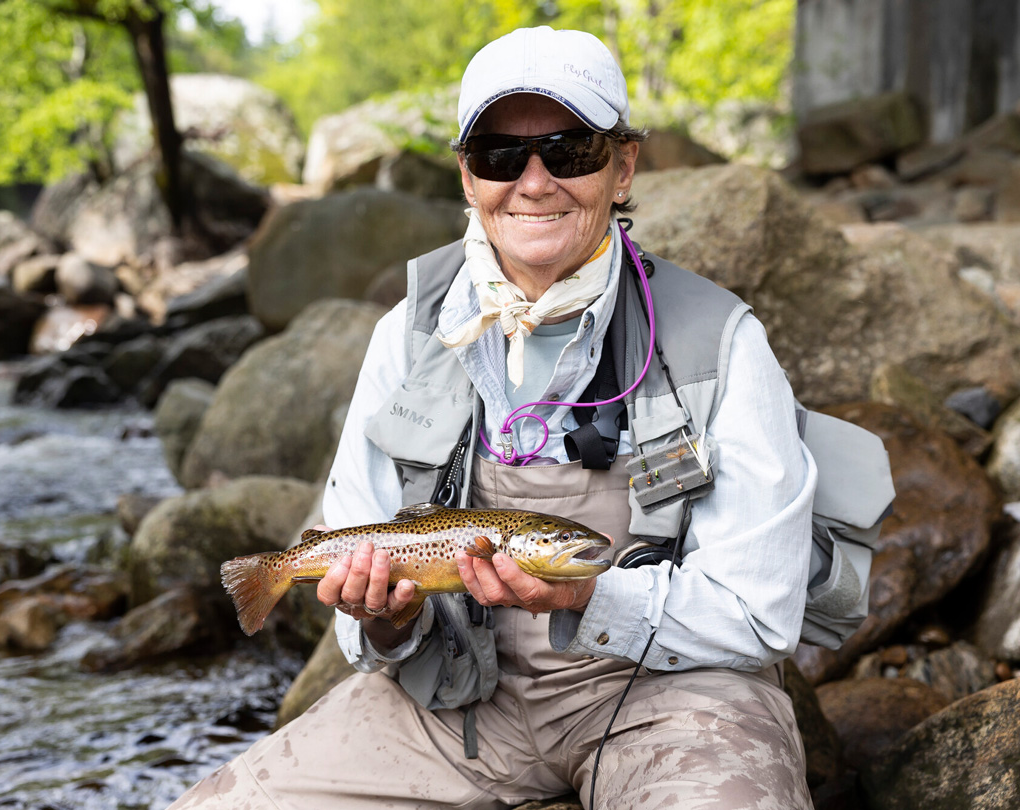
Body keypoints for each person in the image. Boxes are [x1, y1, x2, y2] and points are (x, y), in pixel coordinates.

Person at [170, 25, 816, 810]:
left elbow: (761, 614)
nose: (534, 182)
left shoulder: (719, 341)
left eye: (570, 150)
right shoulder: (406, 336)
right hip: (452, 702)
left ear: (623, 167)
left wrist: (585, 597)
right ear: (468, 179)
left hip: (669, 699)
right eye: (501, 157)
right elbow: (359, 629)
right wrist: (384, 623)